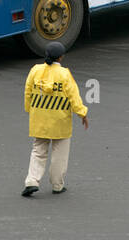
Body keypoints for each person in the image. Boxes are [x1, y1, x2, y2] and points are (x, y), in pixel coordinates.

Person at [21, 42, 89, 197]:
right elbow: (74, 97)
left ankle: (32, 181)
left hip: (39, 119)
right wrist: (82, 114)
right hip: (60, 121)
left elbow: (28, 92)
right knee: (60, 154)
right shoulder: (64, 74)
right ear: (61, 57)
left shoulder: (35, 70)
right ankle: (57, 185)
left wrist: (29, 110)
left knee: (38, 151)